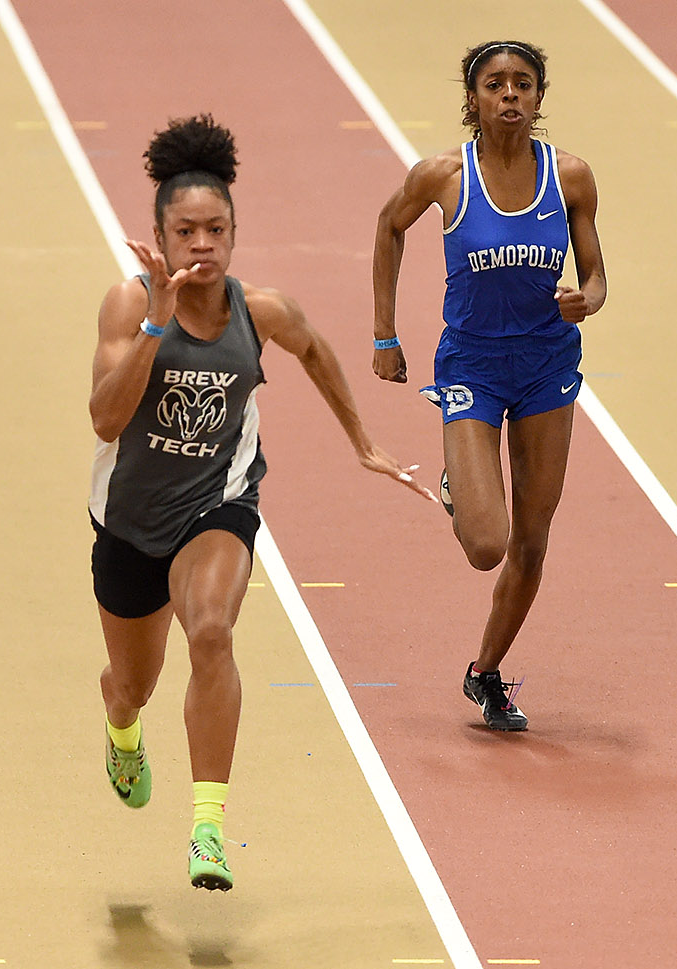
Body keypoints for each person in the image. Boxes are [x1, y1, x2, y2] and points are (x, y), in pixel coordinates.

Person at [90, 114, 432, 891]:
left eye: (217, 229)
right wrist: (155, 326)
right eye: (186, 232)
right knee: (130, 682)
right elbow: (107, 417)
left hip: (218, 504)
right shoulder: (126, 304)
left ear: (234, 236)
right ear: (160, 236)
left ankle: (207, 829)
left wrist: (361, 441)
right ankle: (120, 726)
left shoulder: (261, 311)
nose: (202, 244)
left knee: (211, 630)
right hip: (128, 522)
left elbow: (312, 347)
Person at [370, 40, 606, 732]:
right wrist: (385, 335)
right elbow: (388, 227)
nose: (510, 95)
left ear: (539, 96)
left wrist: (586, 298)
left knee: (532, 542)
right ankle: (457, 483)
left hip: (545, 367)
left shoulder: (570, 176)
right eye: (495, 85)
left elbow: (595, 273)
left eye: (523, 84)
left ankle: (486, 673)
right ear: (472, 99)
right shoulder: (443, 174)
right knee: (486, 545)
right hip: (472, 363)